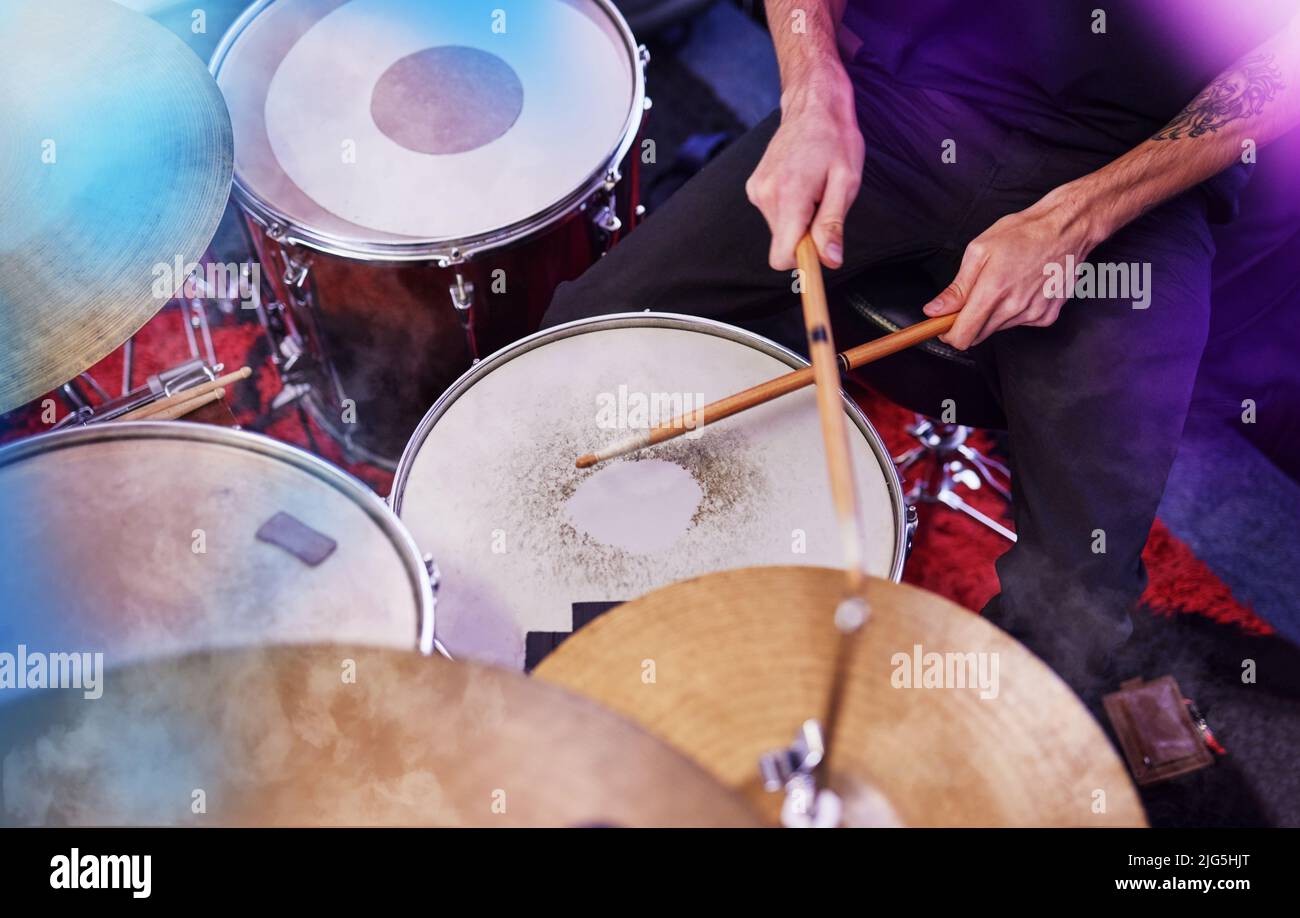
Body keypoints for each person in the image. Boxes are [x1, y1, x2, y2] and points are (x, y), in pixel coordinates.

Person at [542, 1, 1300, 698]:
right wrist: (811, 90)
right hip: (913, 96)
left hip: (1137, 184)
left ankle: (936, 763)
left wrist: (1076, 221)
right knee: (582, 340)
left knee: (1079, 601)